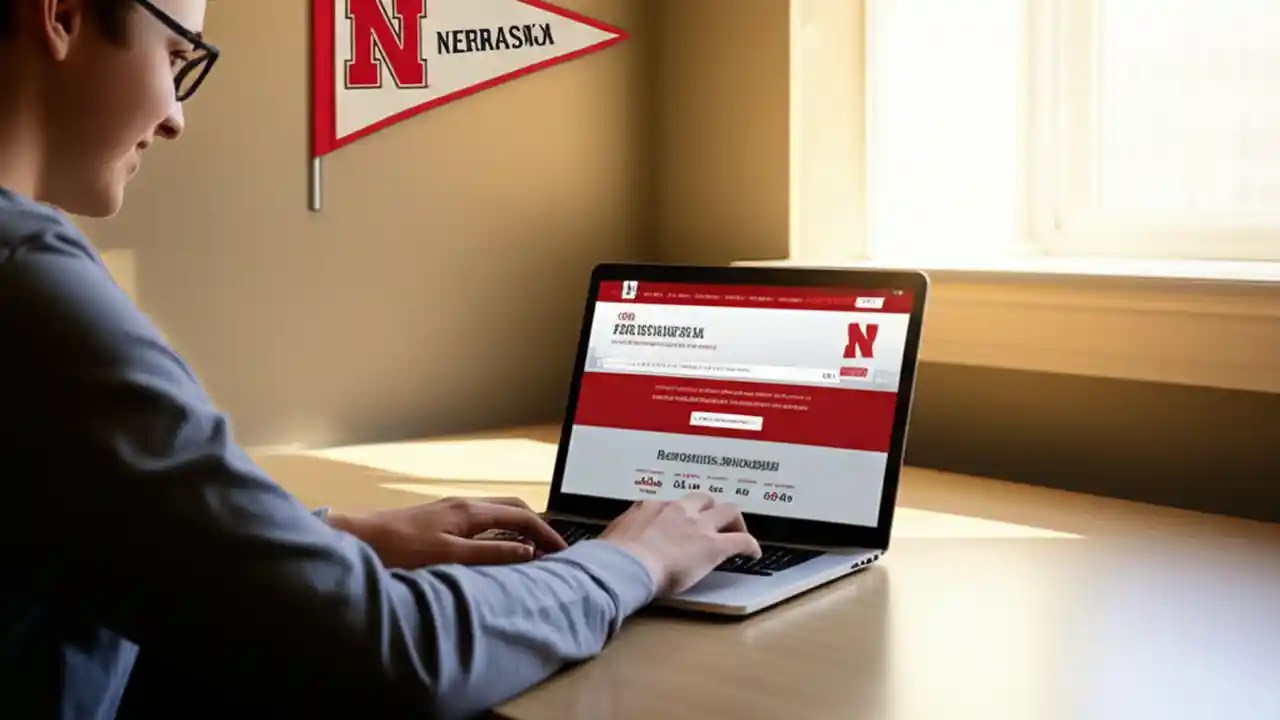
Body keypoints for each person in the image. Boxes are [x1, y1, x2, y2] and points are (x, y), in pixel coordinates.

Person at [0, 1, 762, 718]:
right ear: (62, 16)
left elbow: (105, 530)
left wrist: (335, 538)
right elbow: (388, 650)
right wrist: (630, 562)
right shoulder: (26, 281)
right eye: (175, 56)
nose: (175, 116)